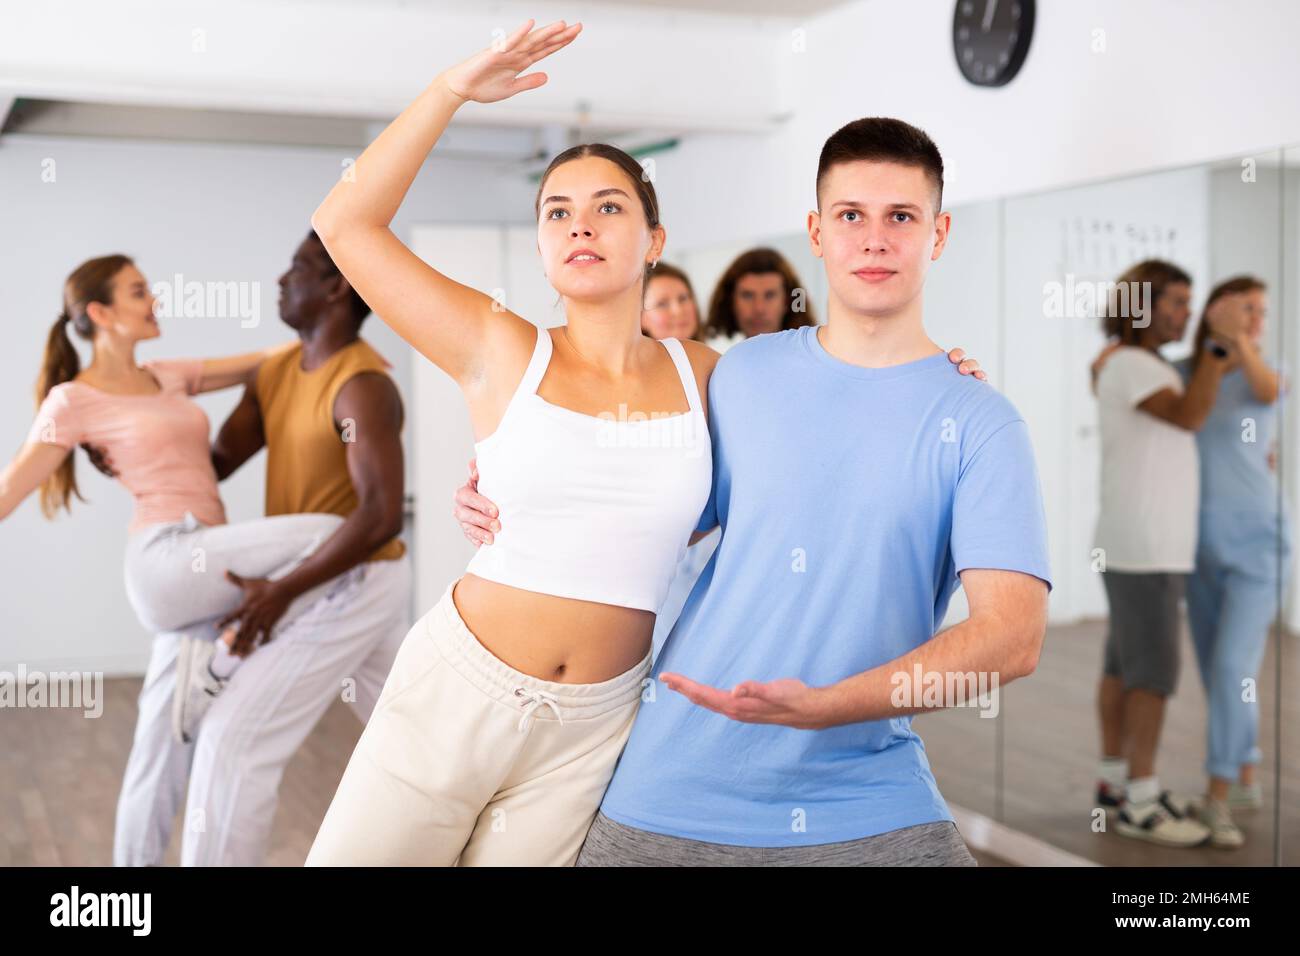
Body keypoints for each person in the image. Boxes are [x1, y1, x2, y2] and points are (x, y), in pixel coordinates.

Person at [305, 22, 989, 867]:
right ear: (545, 243)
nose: (580, 225)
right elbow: (346, 223)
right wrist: (451, 90)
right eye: (558, 210)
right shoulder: (499, 346)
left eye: (608, 207)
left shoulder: (712, 375)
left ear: (653, 243)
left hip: (598, 726)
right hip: (460, 690)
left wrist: (942, 375)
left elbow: (838, 402)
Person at [456, 115, 1046, 866]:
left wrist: (824, 707)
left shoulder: (982, 422)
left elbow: (1013, 638)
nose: (874, 239)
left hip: (868, 797)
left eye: (901, 216)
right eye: (850, 216)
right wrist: (499, 483)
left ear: (938, 234)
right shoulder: (740, 377)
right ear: (817, 231)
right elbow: (627, 498)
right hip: (670, 790)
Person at [0, 253, 359, 865]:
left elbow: (267, 362)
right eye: (139, 293)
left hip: (202, 563)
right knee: (330, 533)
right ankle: (237, 653)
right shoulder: (71, 399)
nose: (155, 301)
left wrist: (336, 308)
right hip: (166, 559)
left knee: (158, 755)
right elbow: (9, 492)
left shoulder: (167, 375)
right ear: (100, 313)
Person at [173, 229, 412, 866]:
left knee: (233, 738)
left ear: (336, 288)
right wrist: (134, 435)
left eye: (298, 267)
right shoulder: (277, 371)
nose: (283, 279)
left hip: (356, 579)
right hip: (306, 581)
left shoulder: (363, 386)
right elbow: (215, 462)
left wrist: (279, 592)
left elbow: (383, 516)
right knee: (416, 734)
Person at [1090, 259, 1240, 848]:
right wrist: (1220, 344)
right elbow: (1190, 415)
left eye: (1189, 302)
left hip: (1140, 545)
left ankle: (1114, 785)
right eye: (1176, 302)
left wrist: (1216, 345)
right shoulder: (1130, 363)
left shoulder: (1137, 363)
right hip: (1146, 548)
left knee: (1122, 668)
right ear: (1143, 305)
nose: (1185, 313)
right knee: (1151, 674)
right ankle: (1142, 803)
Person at [702, 247, 816, 352]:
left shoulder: (812, 361)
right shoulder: (721, 365)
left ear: (787, 301)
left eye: (770, 295)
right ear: (731, 302)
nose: (759, 308)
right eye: (748, 295)